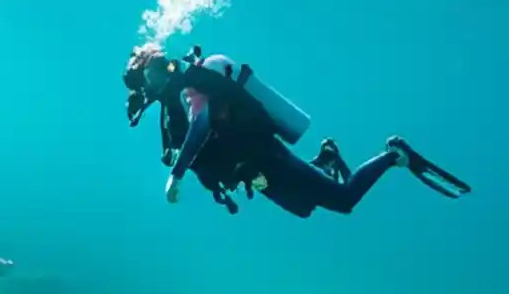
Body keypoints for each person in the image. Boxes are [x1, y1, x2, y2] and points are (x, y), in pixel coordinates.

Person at [123, 43, 471, 217]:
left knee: (343, 200)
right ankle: (327, 159)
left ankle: (395, 155)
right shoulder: (171, 111)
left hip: (265, 157)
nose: (149, 88)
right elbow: (188, 144)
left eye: (149, 79)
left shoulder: (195, 85)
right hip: (252, 172)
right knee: (304, 209)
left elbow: (202, 125)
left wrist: (178, 175)